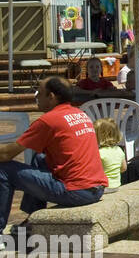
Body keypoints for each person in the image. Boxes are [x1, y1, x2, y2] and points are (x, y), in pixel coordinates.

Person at [0, 76, 108, 233]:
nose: (36, 96)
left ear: (51, 97)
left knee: (3, 170)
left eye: (39, 92)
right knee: (40, 158)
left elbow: (6, 155)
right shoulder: (79, 113)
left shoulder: (48, 121)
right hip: (96, 188)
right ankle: (32, 221)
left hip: (76, 191)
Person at [95, 117, 127, 192]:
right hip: (116, 186)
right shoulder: (119, 150)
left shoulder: (99, 153)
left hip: (103, 187)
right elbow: (124, 168)